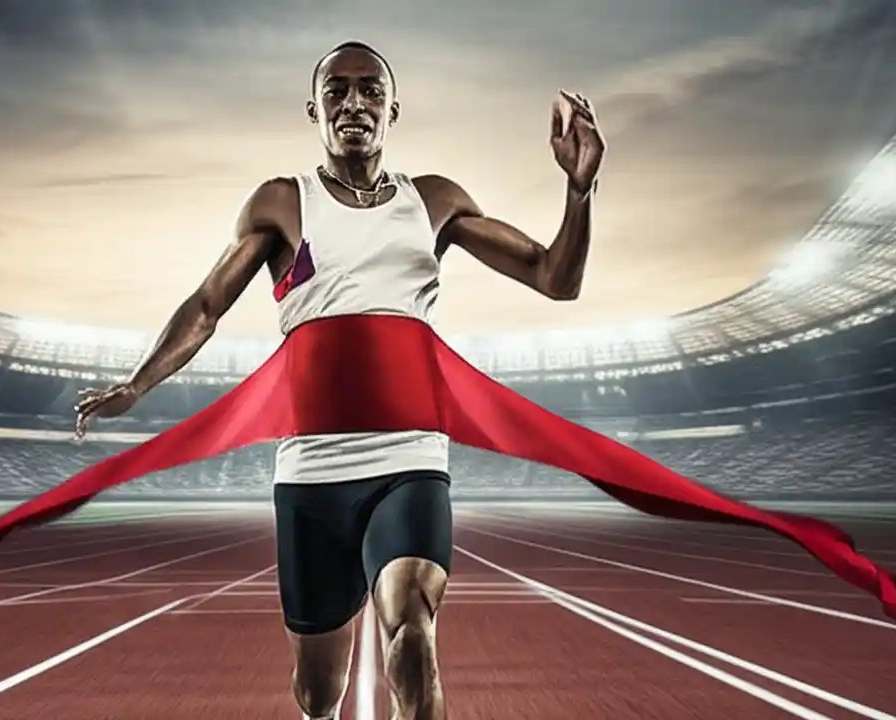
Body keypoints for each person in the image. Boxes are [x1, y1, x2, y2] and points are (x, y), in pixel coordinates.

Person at [74, 40, 604, 720]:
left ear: (393, 109)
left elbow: (556, 279)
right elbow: (207, 306)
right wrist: (136, 385)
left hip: (409, 462)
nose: (355, 102)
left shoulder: (433, 201)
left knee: (412, 631)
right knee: (318, 692)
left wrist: (579, 188)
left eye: (370, 90)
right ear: (314, 108)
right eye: (338, 90)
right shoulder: (281, 203)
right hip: (312, 473)